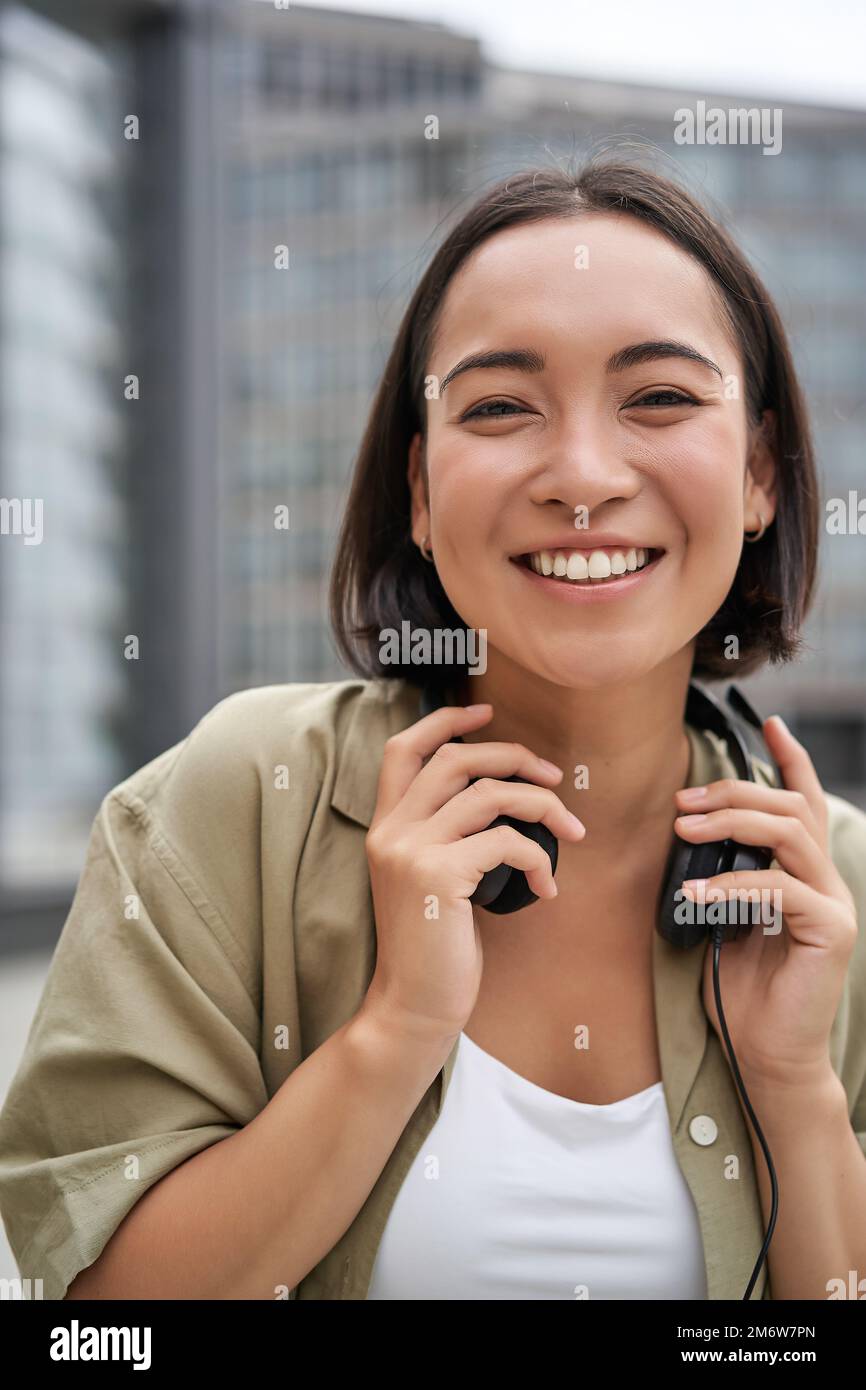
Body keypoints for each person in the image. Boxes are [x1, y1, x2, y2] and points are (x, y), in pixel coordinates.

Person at [1, 159, 865, 1302]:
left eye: (656, 397)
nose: (581, 477)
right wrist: (393, 1029)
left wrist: (794, 1083)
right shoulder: (236, 798)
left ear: (757, 474)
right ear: (418, 489)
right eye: (499, 406)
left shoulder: (833, 886)